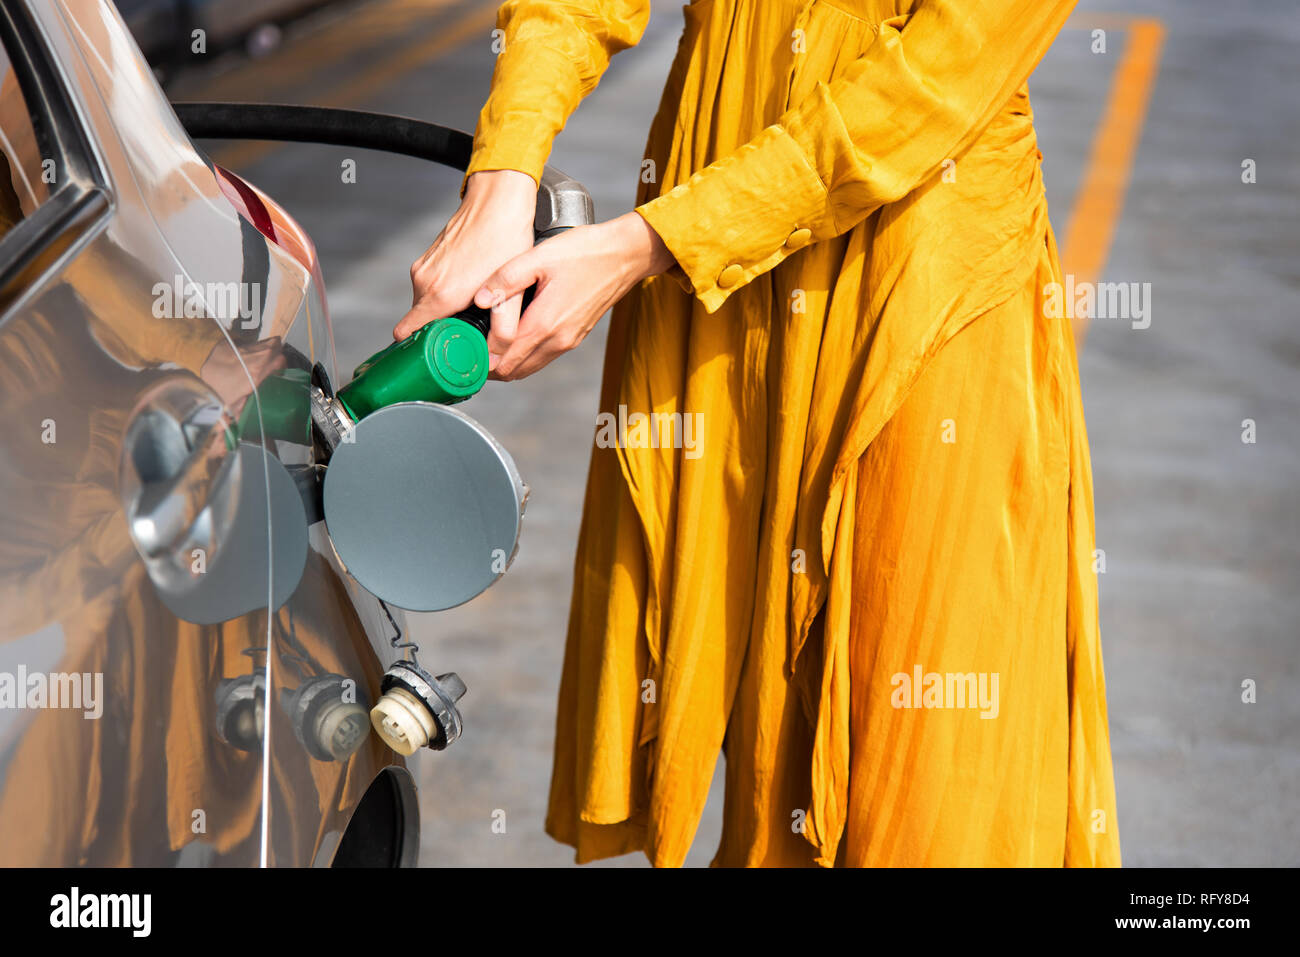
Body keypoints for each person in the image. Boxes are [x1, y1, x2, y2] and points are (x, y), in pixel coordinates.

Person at [396, 0, 1121, 867]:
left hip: (915, 279)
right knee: (765, 723)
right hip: (716, 259)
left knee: (922, 734)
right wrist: (502, 178)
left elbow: (933, 82)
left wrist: (651, 243)